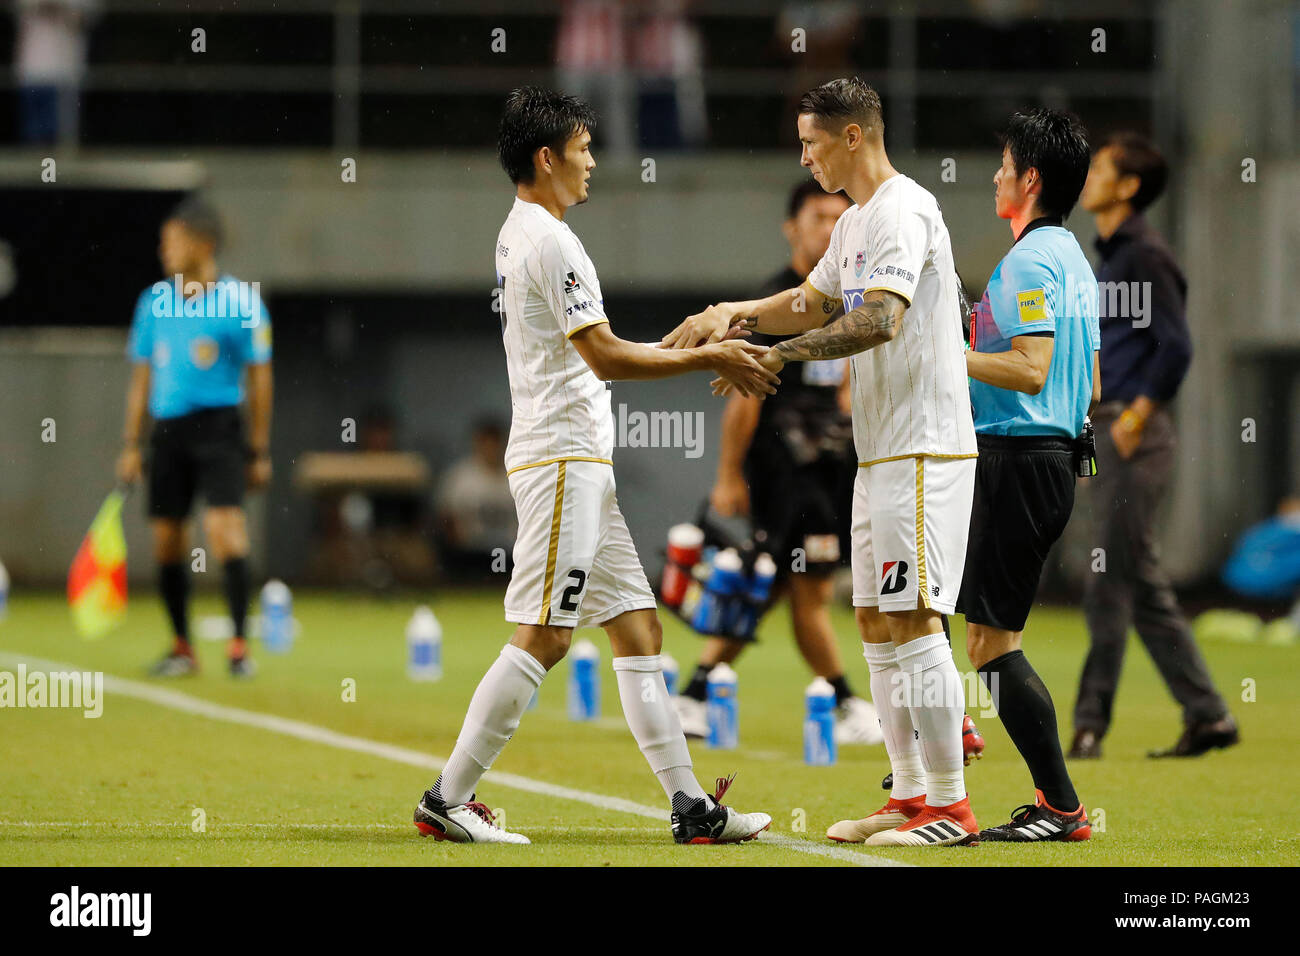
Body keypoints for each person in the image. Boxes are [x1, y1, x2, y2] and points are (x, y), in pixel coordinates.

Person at [412, 87, 775, 846]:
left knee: (639, 630)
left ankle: (690, 808)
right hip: (563, 459)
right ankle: (448, 798)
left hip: (581, 460)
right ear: (546, 158)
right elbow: (602, 353)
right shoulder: (550, 241)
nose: (592, 164)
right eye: (582, 150)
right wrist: (706, 354)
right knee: (545, 633)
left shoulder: (521, 234)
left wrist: (681, 343)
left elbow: (592, 353)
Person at [665, 77, 982, 847]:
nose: (803, 157)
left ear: (851, 137)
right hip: (881, 454)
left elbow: (878, 317)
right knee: (875, 620)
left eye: (810, 142)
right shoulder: (856, 225)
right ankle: (909, 796)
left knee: (911, 618)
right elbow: (812, 300)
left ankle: (951, 805)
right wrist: (731, 313)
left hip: (923, 446)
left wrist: (775, 358)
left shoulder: (904, 208)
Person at [672, 180, 881, 745]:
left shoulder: (849, 297)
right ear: (792, 227)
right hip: (788, 473)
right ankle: (843, 701)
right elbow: (743, 395)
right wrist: (727, 475)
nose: (831, 229)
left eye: (842, 219)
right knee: (809, 589)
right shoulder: (777, 301)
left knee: (774, 586)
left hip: (830, 468)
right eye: (819, 217)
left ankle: (693, 693)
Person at [1072, 133, 1237, 759]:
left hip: (1134, 434)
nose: (1088, 178)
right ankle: (1209, 714)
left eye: (1101, 169)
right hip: (1112, 430)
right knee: (1136, 580)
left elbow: (1178, 346)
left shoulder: (1144, 255)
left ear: (1129, 186)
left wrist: (1135, 416)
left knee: (1108, 578)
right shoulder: (1113, 257)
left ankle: (1089, 726)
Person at [960, 108, 1098, 842]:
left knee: (989, 644)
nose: (994, 175)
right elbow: (1090, 384)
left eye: (1004, 163)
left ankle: (1060, 805)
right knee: (980, 632)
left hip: (1019, 460)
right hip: (1052, 461)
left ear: (1031, 179)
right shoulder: (1076, 263)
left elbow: (1031, 367)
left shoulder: (1026, 264)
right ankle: (946, 741)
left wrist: (945, 355)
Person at [116, 199, 273, 679]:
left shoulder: (242, 302)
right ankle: (182, 647)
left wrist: (259, 449)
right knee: (167, 541)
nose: (164, 250)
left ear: (203, 244)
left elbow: (260, 377)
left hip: (221, 429)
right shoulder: (153, 303)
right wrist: (130, 444)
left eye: (173, 240)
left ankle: (239, 648)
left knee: (225, 532)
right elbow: (141, 380)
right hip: (168, 433)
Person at [435, 418, 517, 580]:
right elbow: (446, 518)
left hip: (509, 552)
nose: (491, 448)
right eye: (486, 442)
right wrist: (457, 547)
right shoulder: (460, 476)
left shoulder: (516, 475)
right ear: (477, 443)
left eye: (495, 443)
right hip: (472, 551)